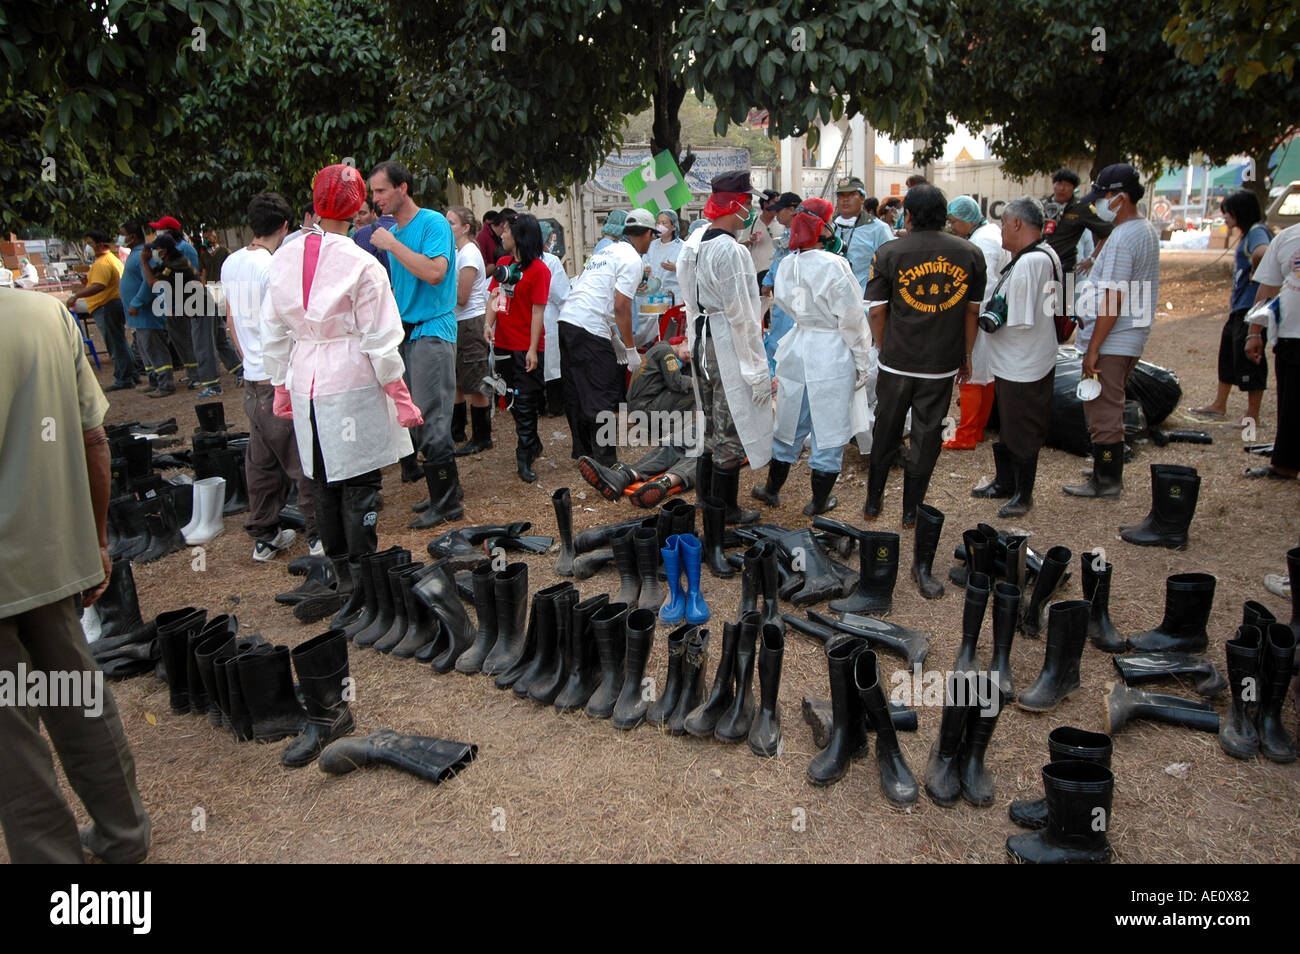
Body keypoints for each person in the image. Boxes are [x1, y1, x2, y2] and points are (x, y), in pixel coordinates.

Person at [0, 286, 151, 864]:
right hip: (51, 554)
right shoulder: (47, 315)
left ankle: (50, 858)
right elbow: (94, 438)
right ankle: (124, 833)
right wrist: (93, 538)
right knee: (77, 696)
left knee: (10, 733)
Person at [262, 164, 423, 619]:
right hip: (351, 377)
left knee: (322, 477)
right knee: (360, 481)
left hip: (305, 377)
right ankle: (363, 577)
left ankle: (341, 572)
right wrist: (400, 393)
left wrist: (280, 383)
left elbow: (272, 329)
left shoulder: (284, 258)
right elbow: (380, 337)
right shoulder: (361, 262)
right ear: (357, 209)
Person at [863, 183, 987, 526]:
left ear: (909, 216)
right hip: (941, 363)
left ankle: (873, 504)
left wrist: (884, 347)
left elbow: (877, 311)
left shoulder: (889, 252)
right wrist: (966, 355)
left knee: (885, 429)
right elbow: (972, 312)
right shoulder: (971, 253)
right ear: (944, 216)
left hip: (897, 363)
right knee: (927, 436)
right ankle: (910, 512)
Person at [752, 198, 874, 516]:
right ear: (824, 228)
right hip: (831, 351)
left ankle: (771, 490)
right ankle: (818, 502)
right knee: (829, 425)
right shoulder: (835, 265)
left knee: (790, 418)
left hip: (799, 346)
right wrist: (862, 360)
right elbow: (852, 318)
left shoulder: (787, 264)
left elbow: (784, 303)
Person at [222, 192, 319, 561]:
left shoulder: (231, 263)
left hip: (253, 381)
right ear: (285, 226)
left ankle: (264, 536)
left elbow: (231, 319)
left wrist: (249, 359)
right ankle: (319, 537)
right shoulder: (274, 267)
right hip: (277, 381)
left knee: (261, 463)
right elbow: (289, 324)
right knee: (303, 461)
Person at [367, 160, 463, 528]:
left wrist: (392, 245)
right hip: (408, 334)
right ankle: (444, 493)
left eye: (381, 190)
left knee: (433, 418)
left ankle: (448, 503)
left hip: (433, 330)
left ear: (403, 187)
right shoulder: (395, 231)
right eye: (374, 192)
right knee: (419, 419)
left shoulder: (432, 223)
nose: (376, 198)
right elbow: (402, 289)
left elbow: (436, 273)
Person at [678, 171, 775, 524]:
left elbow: (689, 299)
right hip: (724, 341)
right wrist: (756, 368)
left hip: (702, 338)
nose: (750, 210)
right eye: (747, 203)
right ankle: (725, 509)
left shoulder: (694, 243)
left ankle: (705, 499)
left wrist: (690, 337)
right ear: (735, 204)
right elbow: (742, 314)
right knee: (730, 423)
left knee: (708, 423)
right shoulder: (729, 250)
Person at [1064, 163, 1160, 498]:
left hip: (1114, 338)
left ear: (1121, 197)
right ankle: (1104, 469)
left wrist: (1094, 347)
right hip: (1127, 335)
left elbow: (1114, 296)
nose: (1098, 204)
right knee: (1107, 405)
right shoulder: (1144, 230)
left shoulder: (1123, 237)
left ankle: (1106, 479)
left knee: (1103, 409)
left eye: (1103, 197)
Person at [969, 198, 1063, 517]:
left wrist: (986, 316)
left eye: (1004, 223)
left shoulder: (1029, 263)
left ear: (1018, 224)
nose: (1001, 230)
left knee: (1022, 429)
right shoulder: (1046, 254)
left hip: (1023, 362)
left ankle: (1023, 494)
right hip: (1023, 359)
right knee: (1010, 425)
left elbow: (1017, 320)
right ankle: (1006, 482)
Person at [558, 207, 660, 468]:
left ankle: (583, 453)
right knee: (601, 392)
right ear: (647, 233)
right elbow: (621, 307)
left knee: (577, 390)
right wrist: (631, 349)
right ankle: (606, 462)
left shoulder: (606, 252)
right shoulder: (633, 259)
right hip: (588, 327)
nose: (652, 242)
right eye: (653, 236)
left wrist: (614, 338)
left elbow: (597, 297)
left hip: (568, 321)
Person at [577, 335, 699, 507]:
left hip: (644, 409)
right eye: (689, 349)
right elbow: (676, 383)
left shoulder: (663, 350)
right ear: (684, 341)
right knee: (676, 444)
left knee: (702, 451)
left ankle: (651, 479)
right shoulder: (666, 352)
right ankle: (628, 476)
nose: (688, 355)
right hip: (647, 409)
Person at [1190, 190, 1272, 424]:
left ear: (1240, 212)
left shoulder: (1257, 232)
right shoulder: (1247, 235)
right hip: (1239, 306)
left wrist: (1256, 272)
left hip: (1250, 307)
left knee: (1249, 357)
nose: (1224, 217)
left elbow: (1263, 251)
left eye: (1228, 212)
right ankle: (1219, 404)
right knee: (1227, 353)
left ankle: (1252, 415)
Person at [485, 213, 551, 482]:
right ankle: (532, 442)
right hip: (503, 344)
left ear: (520, 236)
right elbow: (495, 296)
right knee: (510, 399)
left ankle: (524, 455)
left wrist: (532, 349)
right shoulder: (503, 264)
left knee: (525, 402)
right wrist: (488, 323)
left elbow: (538, 312)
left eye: (506, 231)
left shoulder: (540, 271)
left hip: (526, 346)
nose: (502, 235)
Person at [942, 196, 1010, 450]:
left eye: (954, 222)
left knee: (969, 373)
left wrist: (968, 317)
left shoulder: (982, 242)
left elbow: (984, 285)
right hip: (992, 316)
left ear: (967, 219)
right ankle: (978, 427)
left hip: (979, 317)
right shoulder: (991, 232)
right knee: (985, 374)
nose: (953, 227)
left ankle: (967, 433)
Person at [1243, 221, 1300, 479]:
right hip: (1290, 337)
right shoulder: (1288, 237)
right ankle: (1285, 465)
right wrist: (1254, 332)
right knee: (1290, 404)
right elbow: (1267, 288)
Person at [147, 231, 225, 398]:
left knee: (203, 346)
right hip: (199, 305)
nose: (153, 252)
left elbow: (153, 282)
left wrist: (143, 261)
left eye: (156, 249)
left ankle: (212, 385)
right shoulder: (172, 262)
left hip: (200, 306)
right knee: (219, 342)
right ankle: (239, 373)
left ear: (164, 250)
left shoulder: (175, 264)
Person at [445, 205, 494, 456]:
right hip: (457, 322)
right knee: (457, 379)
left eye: (451, 223)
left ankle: (482, 436)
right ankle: (457, 430)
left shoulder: (469, 254)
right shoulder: (456, 252)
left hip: (470, 322)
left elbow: (462, 297)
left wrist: (437, 295)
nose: (447, 227)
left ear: (465, 227)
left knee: (475, 381)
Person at [66, 229, 137, 392]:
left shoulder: (103, 263)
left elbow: (99, 286)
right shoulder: (110, 259)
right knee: (119, 341)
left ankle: (124, 377)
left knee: (115, 344)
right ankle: (131, 374)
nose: (87, 247)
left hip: (106, 306)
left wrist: (76, 295)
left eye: (89, 243)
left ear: (99, 244)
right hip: (112, 304)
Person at [140, 216, 200, 388]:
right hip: (172, 304)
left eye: (160, 230)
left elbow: (188, 278)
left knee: (188, 341)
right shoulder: (169, 257)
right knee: (180, 342)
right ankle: (192, 372)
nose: (157, 232)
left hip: (184, 303)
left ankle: (197, 375)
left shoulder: (182, 251)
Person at [121, 220, 173, 396]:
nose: (120, 238)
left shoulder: (142, 257)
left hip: (147, 313)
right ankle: (154, 380)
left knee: (155, 349)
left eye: (122, 234)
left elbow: (149, 283)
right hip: (140, 316)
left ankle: (165, 384)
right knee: (146, 350)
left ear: (133, 237)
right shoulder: (136, 255)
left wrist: (136, 303)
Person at [758, 193, 803, 374]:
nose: (776, 215)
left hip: (797, 297)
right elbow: (777, 261)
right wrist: (768, 281)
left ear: (792, 210)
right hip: (782, 298)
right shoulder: (785, 235)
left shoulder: (803, 237)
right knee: (778, 342)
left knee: (792, 343)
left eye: (779, 210)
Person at [1042, 168, 1113, 277]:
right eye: (1059, 183)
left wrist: (1092, 258)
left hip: (1066, 269)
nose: (1062, 188)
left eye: (1067, 185)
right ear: (1053, 185)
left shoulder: (1081, 208)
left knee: (1068, 289)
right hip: (1041, 265)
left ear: (1074, 188)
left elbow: (1107, 233)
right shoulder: (1042, 205)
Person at [832, 175, 896, 292]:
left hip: (864, 297)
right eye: (841, 196)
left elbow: (891, 263)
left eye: (851, 195)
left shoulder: (878, 228)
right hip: (832, 297)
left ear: (862, 198)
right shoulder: (829, 227)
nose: (845, 200)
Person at [540, 220, 571, 417]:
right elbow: (561, 294)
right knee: (553, 364)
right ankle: (555, 406)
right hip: (549, 315)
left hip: (532, 317)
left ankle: (538, 405)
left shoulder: (521, 259)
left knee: (541, 362)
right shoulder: (550, 261)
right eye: (551, 239)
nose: (552, 242)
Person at [644, 209, 684, 303]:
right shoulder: (652, 245)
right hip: (653, 295)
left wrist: (676, 268)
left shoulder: (682, 247)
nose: (660, 226)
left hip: (674, 296)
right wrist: (645, 269)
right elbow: (644, 262)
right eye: (658, 223)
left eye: (664, 223)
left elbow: (691, 272)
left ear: (674, 227)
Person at [352, 197, 398, 276]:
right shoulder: (350, 237)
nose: (357, 219)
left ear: (373, 213)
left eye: (362, 213)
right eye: (354, 214)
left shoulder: (362, 234)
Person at [746, 190, 782, 282]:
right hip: (758, 274)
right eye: (775, 203)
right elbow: (741, 247)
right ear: (765, 204)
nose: (778, 206)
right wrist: (749, 241)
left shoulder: (782, 223)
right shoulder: (751, 224)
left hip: (778, 273)